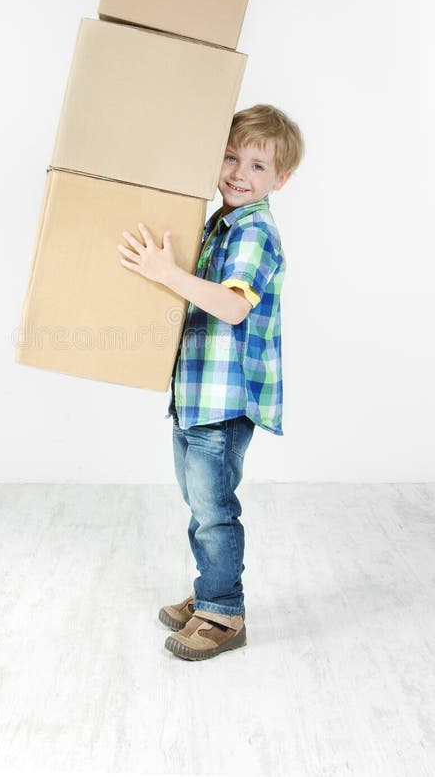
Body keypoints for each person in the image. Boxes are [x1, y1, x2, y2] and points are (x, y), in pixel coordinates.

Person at [118, 103, 305, 661]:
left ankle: (224, 611)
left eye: (256, 166)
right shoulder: (219, 223)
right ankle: (209, 592)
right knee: (200, 502)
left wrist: (166, 273)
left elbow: (231, 306)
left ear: (281, 180)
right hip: (196, 395)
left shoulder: (255, 233)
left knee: (215, 507)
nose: (238, 174)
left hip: (225, 402)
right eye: (230, 157)